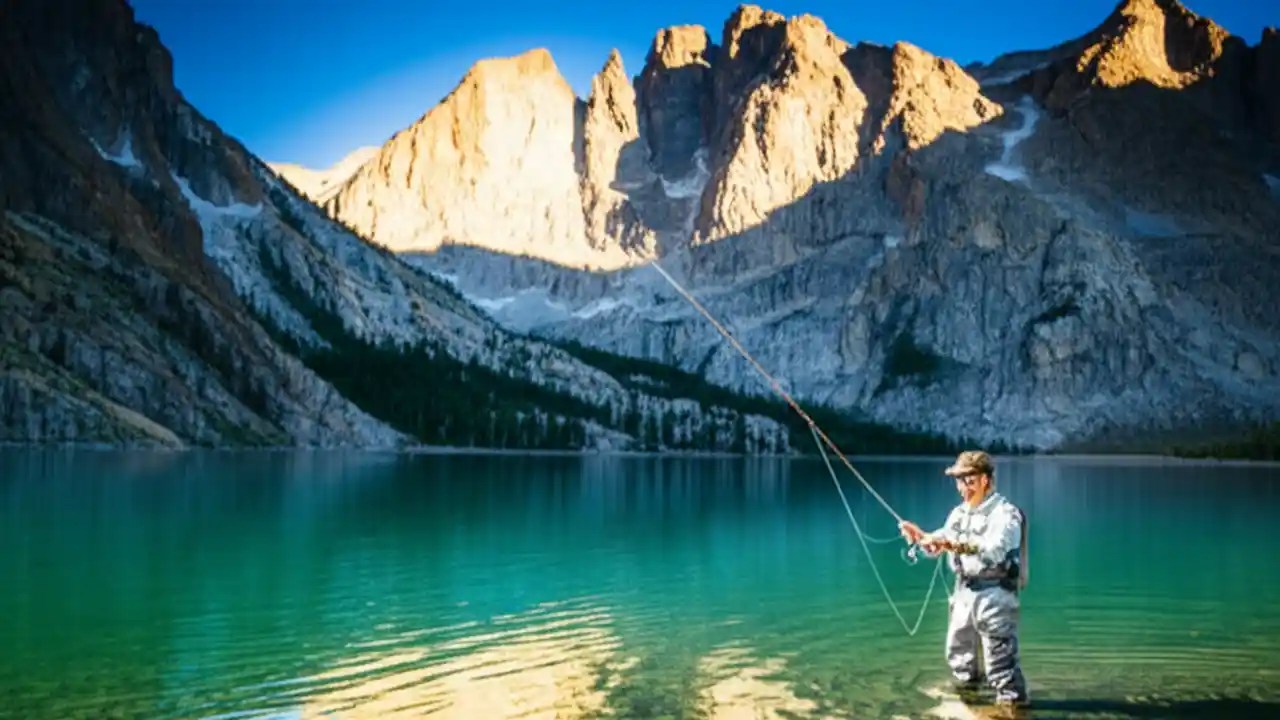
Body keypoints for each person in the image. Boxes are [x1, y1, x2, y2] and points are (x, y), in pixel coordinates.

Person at [898, 450, 1029, 709]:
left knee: (1001, 667)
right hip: (962, 594)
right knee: (960, 661)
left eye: (969, 479)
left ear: (986, 480)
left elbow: (996, 550)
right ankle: (971, 705)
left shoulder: (1006, 514)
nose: (962, 487)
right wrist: (922, 538)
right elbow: (939, 545)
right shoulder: (958, 514)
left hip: (995, 596)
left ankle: (1013, 711)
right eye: (959, 480)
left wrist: (951, 542)